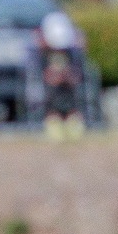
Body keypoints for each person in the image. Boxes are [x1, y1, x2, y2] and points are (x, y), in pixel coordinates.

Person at [37, 11, 87, 140]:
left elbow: (78, 76)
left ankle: (72, 122)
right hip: (51, 98)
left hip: (70, 96)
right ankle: (54, 123)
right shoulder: (42, 55)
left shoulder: (72, 54)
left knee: (73, 109)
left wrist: (67, 76)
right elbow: (44, 77)